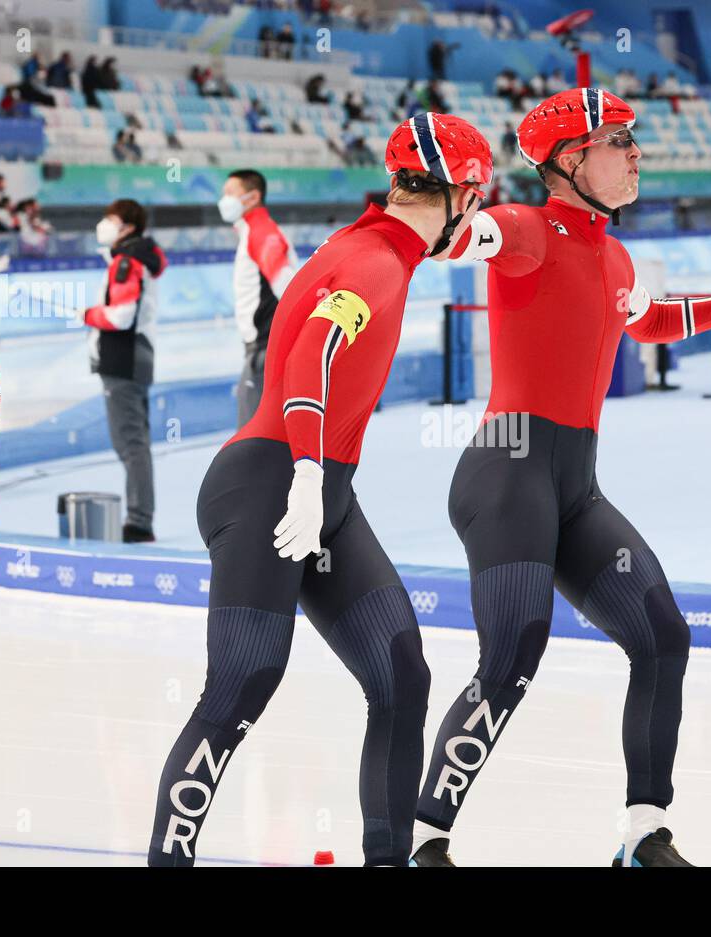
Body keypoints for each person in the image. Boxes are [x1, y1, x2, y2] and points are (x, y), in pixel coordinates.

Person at [408, 88, 711, 868]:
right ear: (569, 160)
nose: (636, 152)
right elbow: (464, 238)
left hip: (574, 486)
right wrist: (443, 220)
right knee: (513, 655)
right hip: (507, 473)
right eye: (620, 140)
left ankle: (643, 832)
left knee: (662, 639)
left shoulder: (612, 252)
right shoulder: (526, 227)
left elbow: (647, 322)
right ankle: (424, 839)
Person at [146, 113, 492, 868]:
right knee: (241, 685)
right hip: (273, 481)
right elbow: (309, 358)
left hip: (317, 489)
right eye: (476, 201)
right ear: (461, 194)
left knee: (402, 676)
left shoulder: (380, 246)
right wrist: (307, 471)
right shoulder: (372, 261)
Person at [83, 200, 166, 543]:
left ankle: (139, 521)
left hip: (123, 358)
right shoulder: (137, 259)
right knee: (134, 442)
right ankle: (140, 516)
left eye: (110, 219)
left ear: (128, 226)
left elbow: (120, 316)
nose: (103, 224)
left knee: (130, 443)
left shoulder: (126, 262)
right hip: (134, 356)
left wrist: (86, 315)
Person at [219, 169, 296, 426]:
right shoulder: (253, 231)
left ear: (252, 197)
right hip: (263, 348)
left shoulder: (261, 232)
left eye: (230, 193)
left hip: (266, 348)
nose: (224, 200)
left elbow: (287, 285)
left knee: (252, 434)